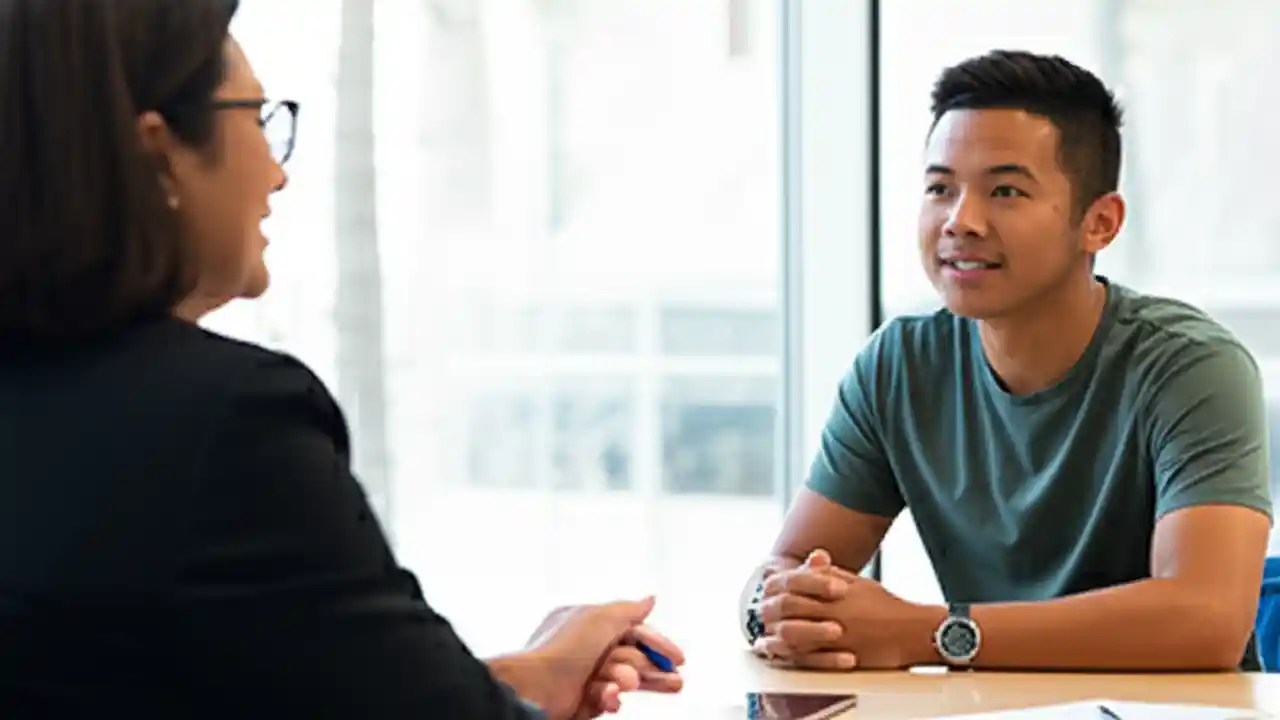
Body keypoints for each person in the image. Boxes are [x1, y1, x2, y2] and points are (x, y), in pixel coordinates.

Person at [0, 1, 683, 717]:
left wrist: (520, 681)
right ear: (160, 152)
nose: (276, 172)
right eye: (257, 118)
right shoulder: (225, 428)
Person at [741, 49, 1272, 672]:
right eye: (940, 188)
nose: (960, 221)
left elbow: (1204, 621)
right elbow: (789, 566)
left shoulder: (1191, 368)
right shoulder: (899, 366)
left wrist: (928, 633)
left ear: (1099, 223)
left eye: (1005, 191)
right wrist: (775, 607)